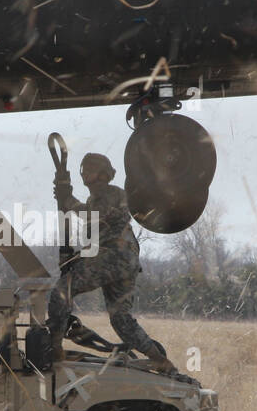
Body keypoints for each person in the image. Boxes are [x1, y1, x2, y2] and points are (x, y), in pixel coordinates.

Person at [48, 152, 177, 374]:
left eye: (90, 169)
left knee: (62, 291)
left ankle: (54, 348)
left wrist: (67, 199)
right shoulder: (99, 197)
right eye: (84, 169)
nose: (85, 173)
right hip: (120, 260)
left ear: (103, 174)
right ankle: (159, 361)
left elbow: (93, 216)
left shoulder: (110, 193)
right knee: (120, 319)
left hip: (114, 257)